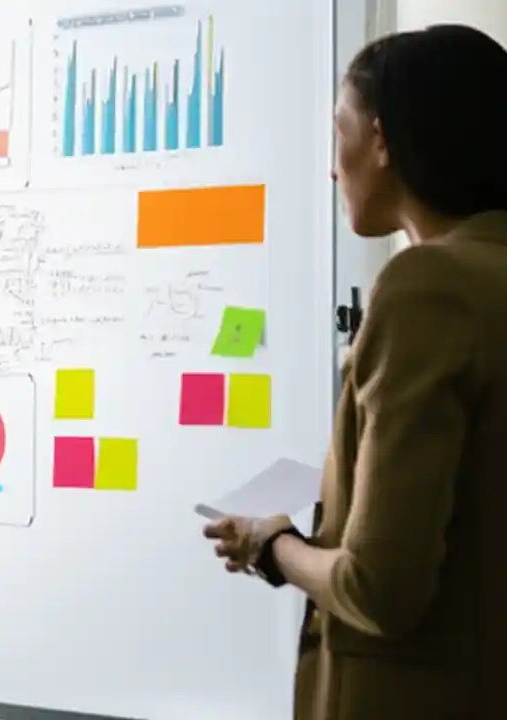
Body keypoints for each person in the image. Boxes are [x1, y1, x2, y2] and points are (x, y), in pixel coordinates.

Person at [203, 24, 507, 720]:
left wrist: (271, 545)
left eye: (338, 131)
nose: (333, 169)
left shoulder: (428, 287)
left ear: (380, 138)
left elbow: (380, 589)